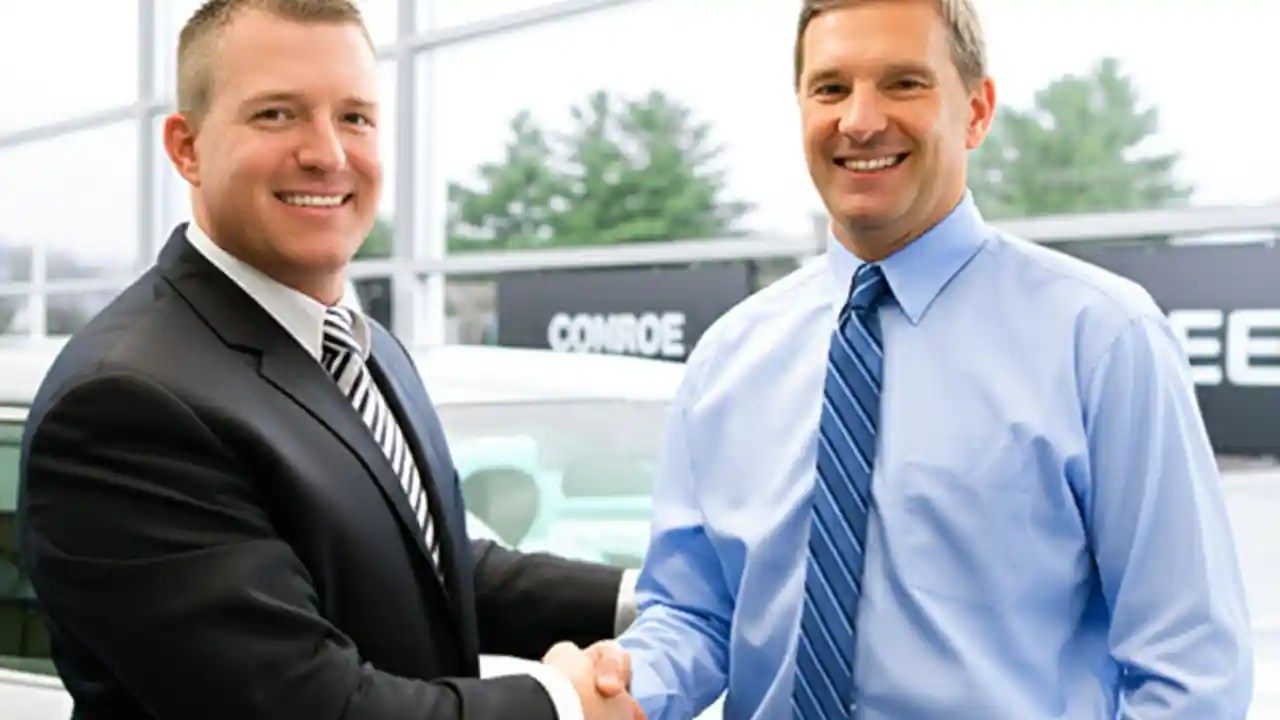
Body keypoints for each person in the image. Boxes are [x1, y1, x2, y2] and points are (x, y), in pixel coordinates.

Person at [603, 0, 1255, 718]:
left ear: (977, 111)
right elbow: (697, 615)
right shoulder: (728, 358)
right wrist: (617, 686)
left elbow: (1190, 669)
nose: (859, 120)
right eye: (830, 88)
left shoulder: (1102, 339)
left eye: (903, 83)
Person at [16, 1, 640, 718]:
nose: (327, 153)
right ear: (186, 147)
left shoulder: (362, 346)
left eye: (355, 117)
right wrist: (563, 703)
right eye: (277, 114)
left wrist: (647, 600)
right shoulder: (128, 403)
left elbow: (426, 563)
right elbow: (307, 703)